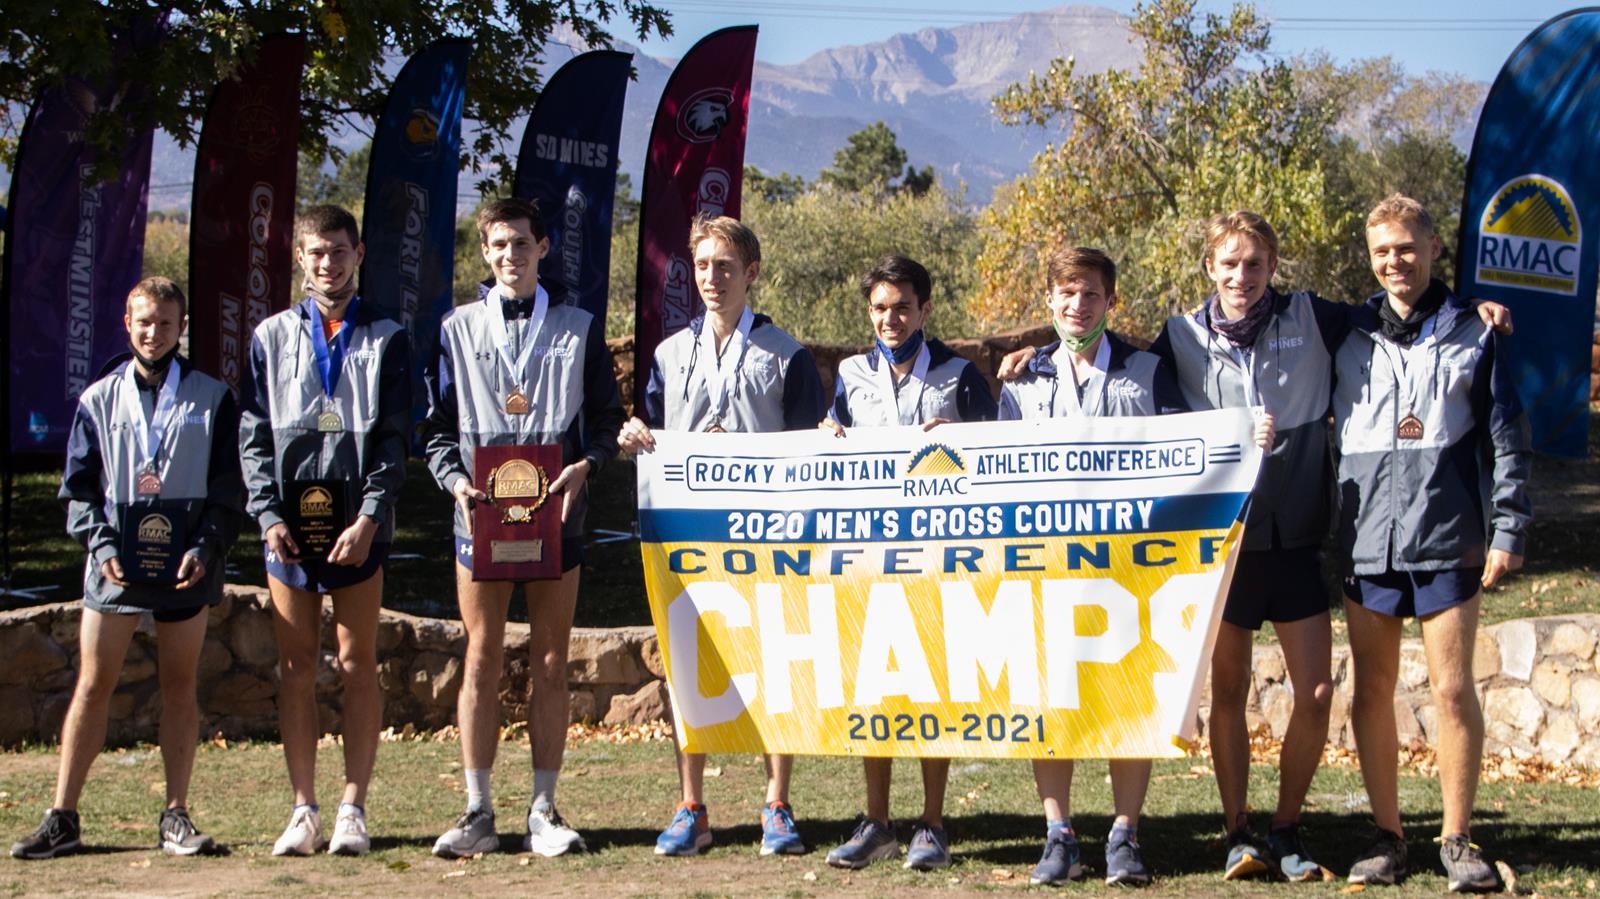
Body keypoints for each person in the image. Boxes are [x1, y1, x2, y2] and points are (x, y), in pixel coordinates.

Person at [993, 214, 1510, 882]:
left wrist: (1475, 309)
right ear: (1210, 266)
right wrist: (1033, 356)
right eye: (1229, 264)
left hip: (1297, 541)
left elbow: (1400, 309)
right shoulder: (1180, 336)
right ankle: (1238, 829)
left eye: (1255, 264)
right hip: (1223, 546)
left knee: (1318, 691)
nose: (1242, 276)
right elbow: (1104, 361)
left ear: (1273, 266)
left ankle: (1286, 825)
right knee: (1229, 687)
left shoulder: (1315, 318)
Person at [1000, 247, 1216, 887]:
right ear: (1049, 301)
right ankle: (1057, 832)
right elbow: (999, 471)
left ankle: (1126, 832)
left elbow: (1190, 453)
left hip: (1130, 569)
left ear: (1110, 301)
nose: (1077, 305)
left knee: (1129, 698)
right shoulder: (1024, 381)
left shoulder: (1148, 370)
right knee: (1050, 700)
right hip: (1044, 567)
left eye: (1090, 294)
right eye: (1065, 294)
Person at [617, 214, 827, 858]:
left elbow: (813, 445)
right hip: (688, 542)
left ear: (752, 273)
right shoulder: (668, 353)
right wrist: (633, 438)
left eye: (727, 267)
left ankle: (777, 805)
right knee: (689, 664)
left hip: (769, 540)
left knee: (777, 664)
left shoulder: (786, 354)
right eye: (704, 266)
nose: (713, 278)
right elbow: (649, 432)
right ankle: (691, 807)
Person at [11, 277, 243, 859]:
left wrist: (207, 545)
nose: (153, 332)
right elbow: (78, 489)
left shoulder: (213, 397)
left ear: (181, 327)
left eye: (166, 322)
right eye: (144, 321)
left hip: (186, 564)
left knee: (179, 686)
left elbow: (226, 489)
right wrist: (101, 545)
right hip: (113, 563)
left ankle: (176, 816)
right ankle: (63, 817)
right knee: (93, 684)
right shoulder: (98, 398)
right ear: (126, 321)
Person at [1335, 195, 1529, 893]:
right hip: (1367, 543)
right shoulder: (1345, 330)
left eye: (1407, 248)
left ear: (1434, 248)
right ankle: (1387, 838)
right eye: (1383, 250)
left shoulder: (1477, 332)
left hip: (1449, 538)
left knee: (1451, 688)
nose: (1396, 262)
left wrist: (1509, 528)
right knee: (1372, 690)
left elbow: (1508, 440)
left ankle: (1457, 838)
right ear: (1370, 256)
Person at [423, 197, 623, 859]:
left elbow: (604, 419)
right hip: (478, 515)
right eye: (499, 244)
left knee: (549, 662)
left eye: (522, 244)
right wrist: (453, 479)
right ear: (485, 251)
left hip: (556, 515)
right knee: (479, 657)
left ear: (544, 248)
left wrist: (587, 466)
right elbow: (433, 429)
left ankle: (543, 809)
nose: (511, 255)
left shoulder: (580, 326)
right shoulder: (453, 329)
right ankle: (478, 808)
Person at [238, 205, 412, 856]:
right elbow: (253, 434)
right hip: (288, 527)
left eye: (338, 251)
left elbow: (396, 442)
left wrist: (369, 516)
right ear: (300, 258)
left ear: (358, 254)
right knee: (295, 665)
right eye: (315, 252)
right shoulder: (270, 336)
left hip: (358, 527)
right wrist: (267, 513)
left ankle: (352, 808)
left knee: (357, 661)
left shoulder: (388, 336)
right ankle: (303, 808)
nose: (327, 263)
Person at [819, 254, 996, 872]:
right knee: (876, 686)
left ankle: (934, 821)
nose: (890, 318)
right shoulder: (850, 372)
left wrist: (964, 440)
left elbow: (997, 459)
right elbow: (833, 436)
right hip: (870, 556)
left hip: (942, 557)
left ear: (924, 308)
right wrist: (828, 434)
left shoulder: (959, 373)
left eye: (901, 306)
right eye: (879, 308)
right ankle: (876, 822)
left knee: (934, 685)